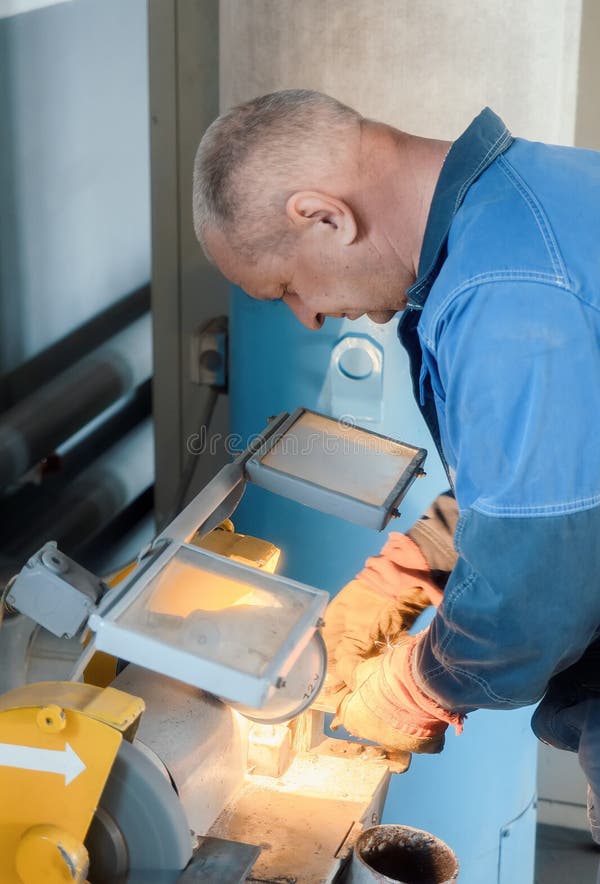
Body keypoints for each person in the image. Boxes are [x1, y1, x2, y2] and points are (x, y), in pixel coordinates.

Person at [192, 89, 600, 839]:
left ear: (324, 216)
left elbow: (537, 600)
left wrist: (416, 684)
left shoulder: (503, 296)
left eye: (286, 287)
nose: (307, 315)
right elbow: (568, 480)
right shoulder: (533, 198)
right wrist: (417, 561)